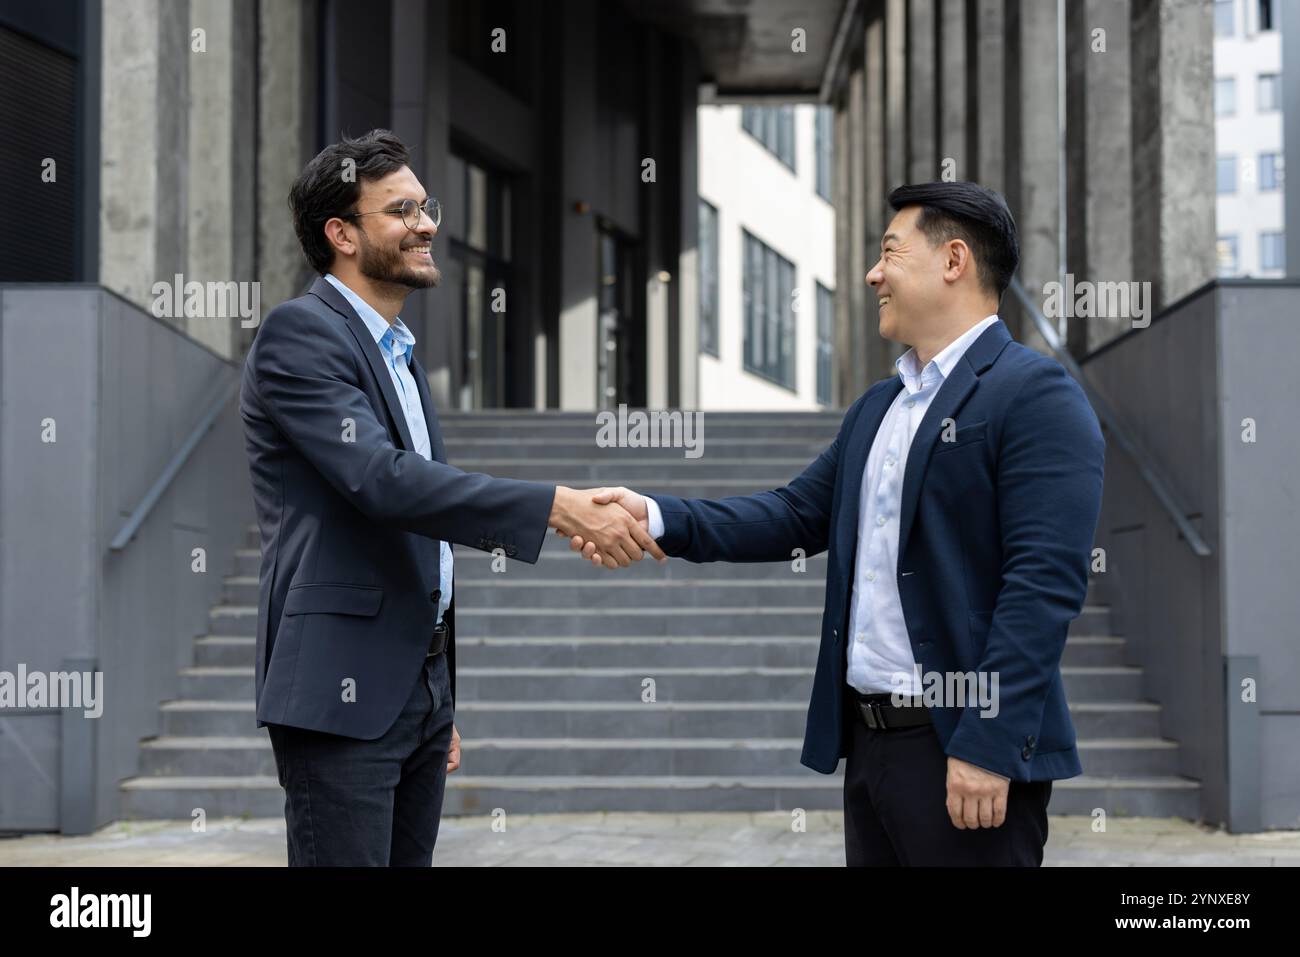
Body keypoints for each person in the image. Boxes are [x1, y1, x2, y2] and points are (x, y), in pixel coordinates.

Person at [568, 181, 1104, 866]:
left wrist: (988, 743)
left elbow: (1045, 583)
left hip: (961, 746)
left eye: (890, 252)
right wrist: (658, 515)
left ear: (954, 261)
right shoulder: (879, 408)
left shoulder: (1035, 394)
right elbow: (793, 513)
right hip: (873, 748)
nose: (873, 273)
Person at [240, 129, 664, 866]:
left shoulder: (399, 353)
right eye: (402, 210)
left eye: (425, 204)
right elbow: (382, 481)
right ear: (341, 233)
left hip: (413, 688)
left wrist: (433, 692)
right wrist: (555, 505)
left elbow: (423, 524)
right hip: (340, 696)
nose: (429, 223)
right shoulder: (300, 333)